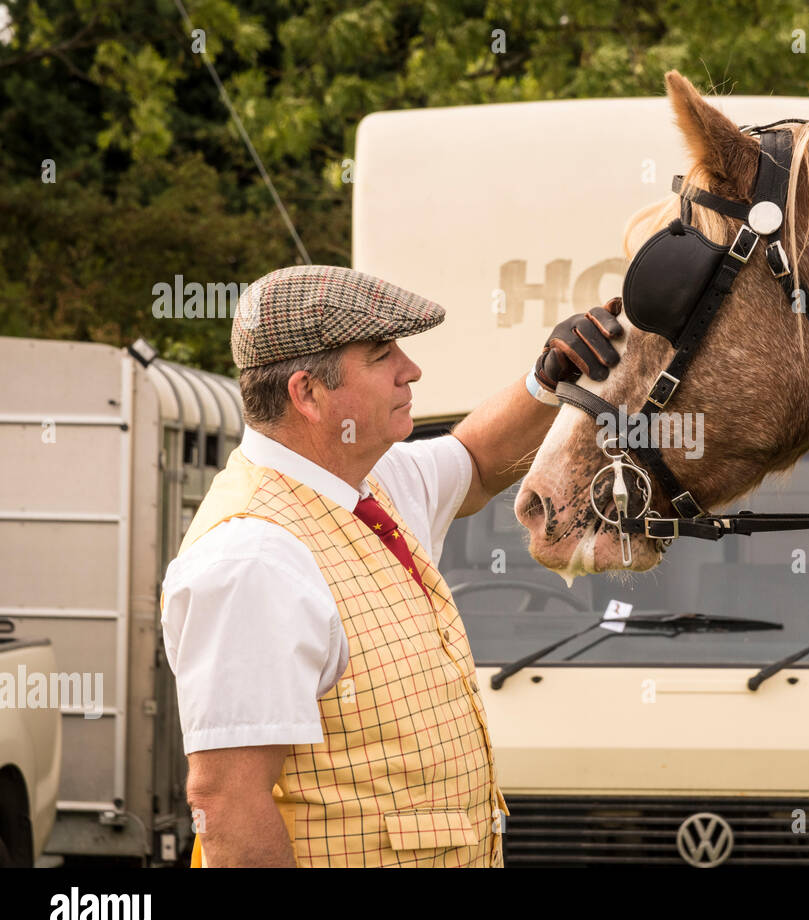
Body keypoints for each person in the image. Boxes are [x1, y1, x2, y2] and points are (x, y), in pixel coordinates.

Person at [160, 264, 622, 867]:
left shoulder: (364, 476)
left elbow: (477, 462)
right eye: (382, 355)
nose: (412, 368)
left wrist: (547, 379)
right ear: (308, 394)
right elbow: (225, 805)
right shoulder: (252, 558)